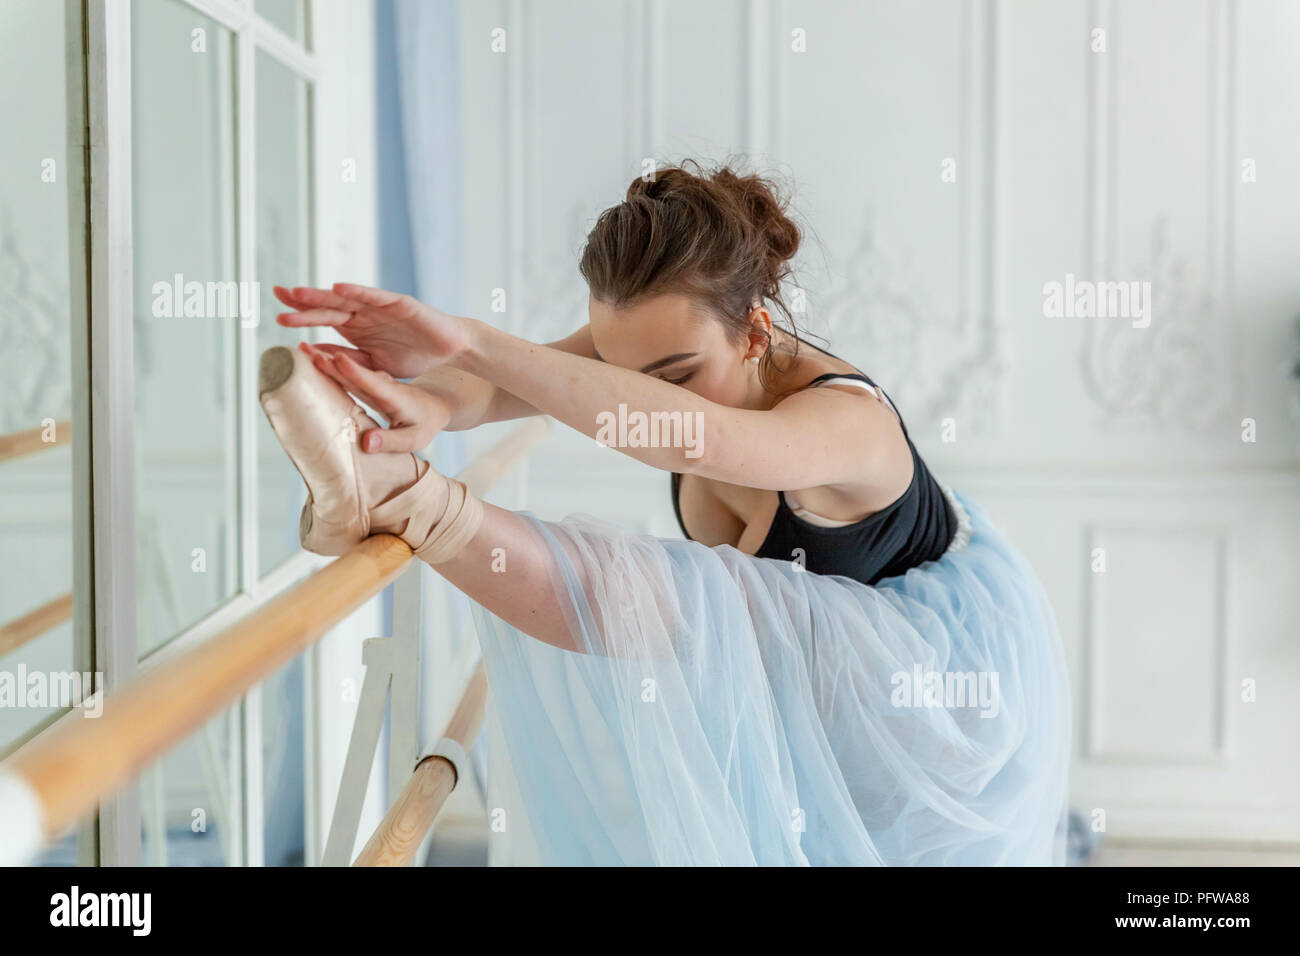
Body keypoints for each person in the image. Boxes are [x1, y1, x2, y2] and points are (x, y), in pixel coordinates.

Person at [259, 160, 1071, 865]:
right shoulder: (659, 342)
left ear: (755, 332)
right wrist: (415, 398)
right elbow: (510, 387)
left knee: (662, 592)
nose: (636, 385)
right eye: (618, 366)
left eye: (670, 374)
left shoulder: (848, 425)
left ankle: (407, 501)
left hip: (920, 702)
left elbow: (671, 431)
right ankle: (383, 477)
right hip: (811, 689)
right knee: (704, 600)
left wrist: (470, 339)